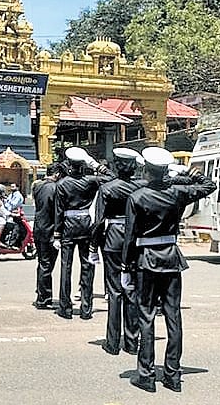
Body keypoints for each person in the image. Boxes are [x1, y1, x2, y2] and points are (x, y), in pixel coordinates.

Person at [123, 147, 215, 393]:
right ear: (166, 170)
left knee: (146, 317)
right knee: (173, 317)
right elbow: (209, 185)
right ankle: (173, 375)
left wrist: (126, 266)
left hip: (146, 260)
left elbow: (130, 236)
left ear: (146, 170)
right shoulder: (177, 193)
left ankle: (146, 374)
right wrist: (187, 172)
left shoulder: (138, 196)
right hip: (171, 258)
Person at [91, 147, 144, 356]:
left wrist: (93, 246)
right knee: (132, 290)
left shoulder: (107, 189)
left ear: (117, 165)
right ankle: (132, 342)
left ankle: (112, 342)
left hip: (113, 237)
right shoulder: (141, 186)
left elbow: (98, 221)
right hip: (136, 238)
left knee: (114, 291)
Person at [53, 146, 109, 320]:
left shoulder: (62, 184)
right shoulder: (91, 180)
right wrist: (96, 165)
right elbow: (112, 178)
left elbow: (58, 211)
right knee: (87, 266)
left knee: (66, 267)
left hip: (68, 225)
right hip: (86, 224)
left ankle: (65, 308)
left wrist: (57, 233)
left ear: (69, 164)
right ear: (83, 164)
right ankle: (86, 309)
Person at [30, 164, 62, 310]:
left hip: (39, 228)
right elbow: (56, 211)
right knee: (47, 265)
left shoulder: (38, 186)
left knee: (43, 263)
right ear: (56, 174)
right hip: (49, 230)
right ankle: (44, 298)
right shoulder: (55, 188)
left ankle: (41, 292)